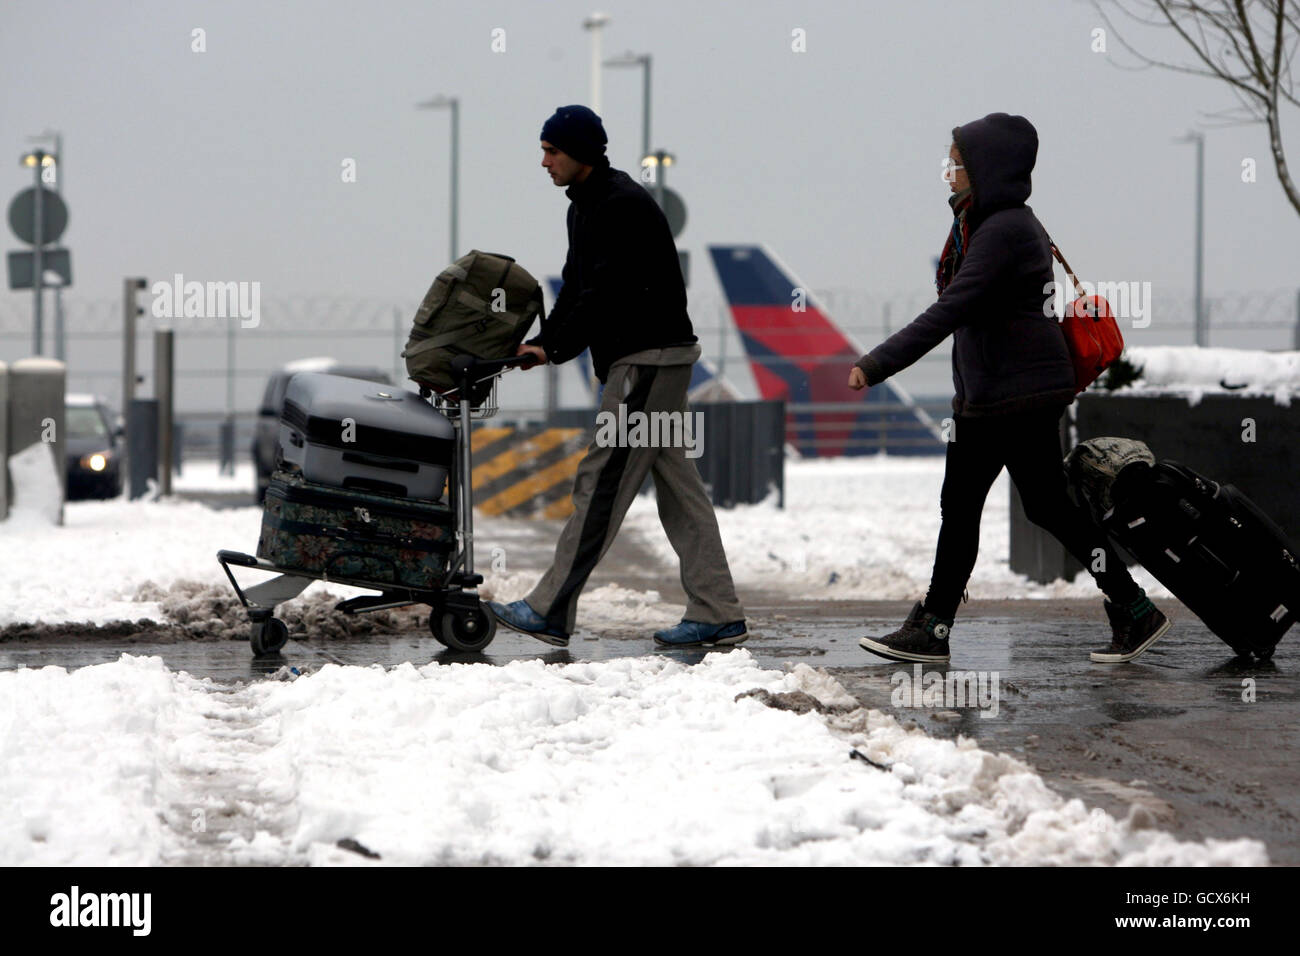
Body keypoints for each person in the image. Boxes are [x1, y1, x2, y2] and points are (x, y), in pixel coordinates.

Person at [851, 112, 1170, 665]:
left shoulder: (1003, 231)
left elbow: (951, 309)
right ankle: (1133, 607)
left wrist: (877, 364)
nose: (948, 171)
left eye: (957, 161)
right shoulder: (984, 224)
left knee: (969, 507)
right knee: (1044, 508)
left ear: (985, 167)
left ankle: (935, 626)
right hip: (999, 395)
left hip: (1012, 399)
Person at [487, 105, 747, 649]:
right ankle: (717, 608)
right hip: (650, 361)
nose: (544, 162)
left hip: (647, 361)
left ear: (580, 152)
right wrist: (543, 345)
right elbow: (578, 286)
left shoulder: (621, 205)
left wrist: (554, 347)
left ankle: (550, 607)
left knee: (602, 481)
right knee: (679, 489)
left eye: (552, 151)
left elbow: (603, 296)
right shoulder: (586, 206)